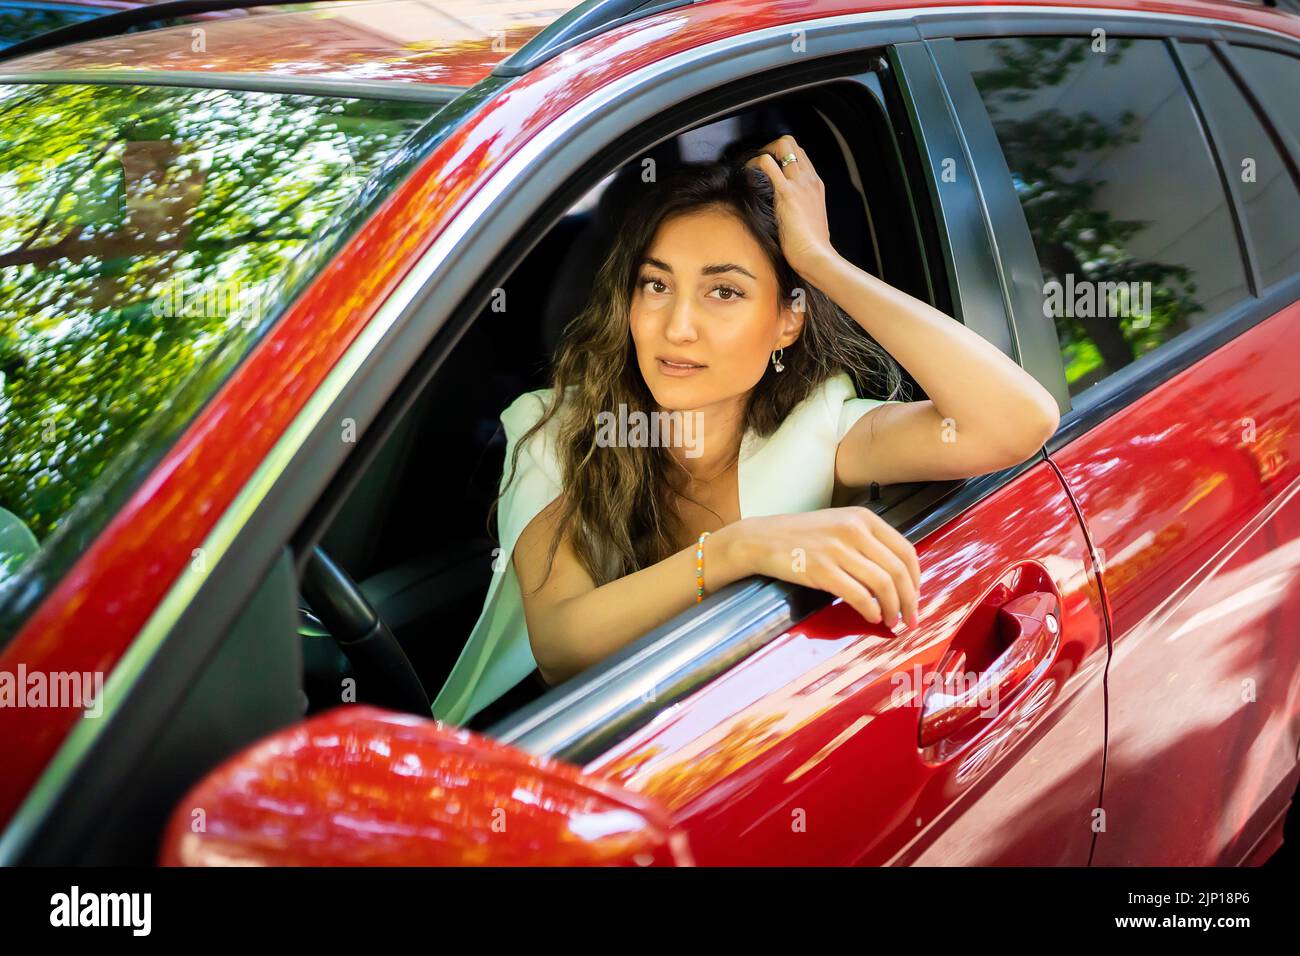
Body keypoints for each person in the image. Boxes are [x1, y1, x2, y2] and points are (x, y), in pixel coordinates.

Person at [430, 135, 1060, 725]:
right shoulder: (559, 428)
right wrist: (736, 549)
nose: (677, 327)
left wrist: (821, 262)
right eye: (656, 285)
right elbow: (562, 646)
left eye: (724, 292)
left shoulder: (821, 430)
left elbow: (1015, 423)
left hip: (756, 739)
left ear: (789, 319)